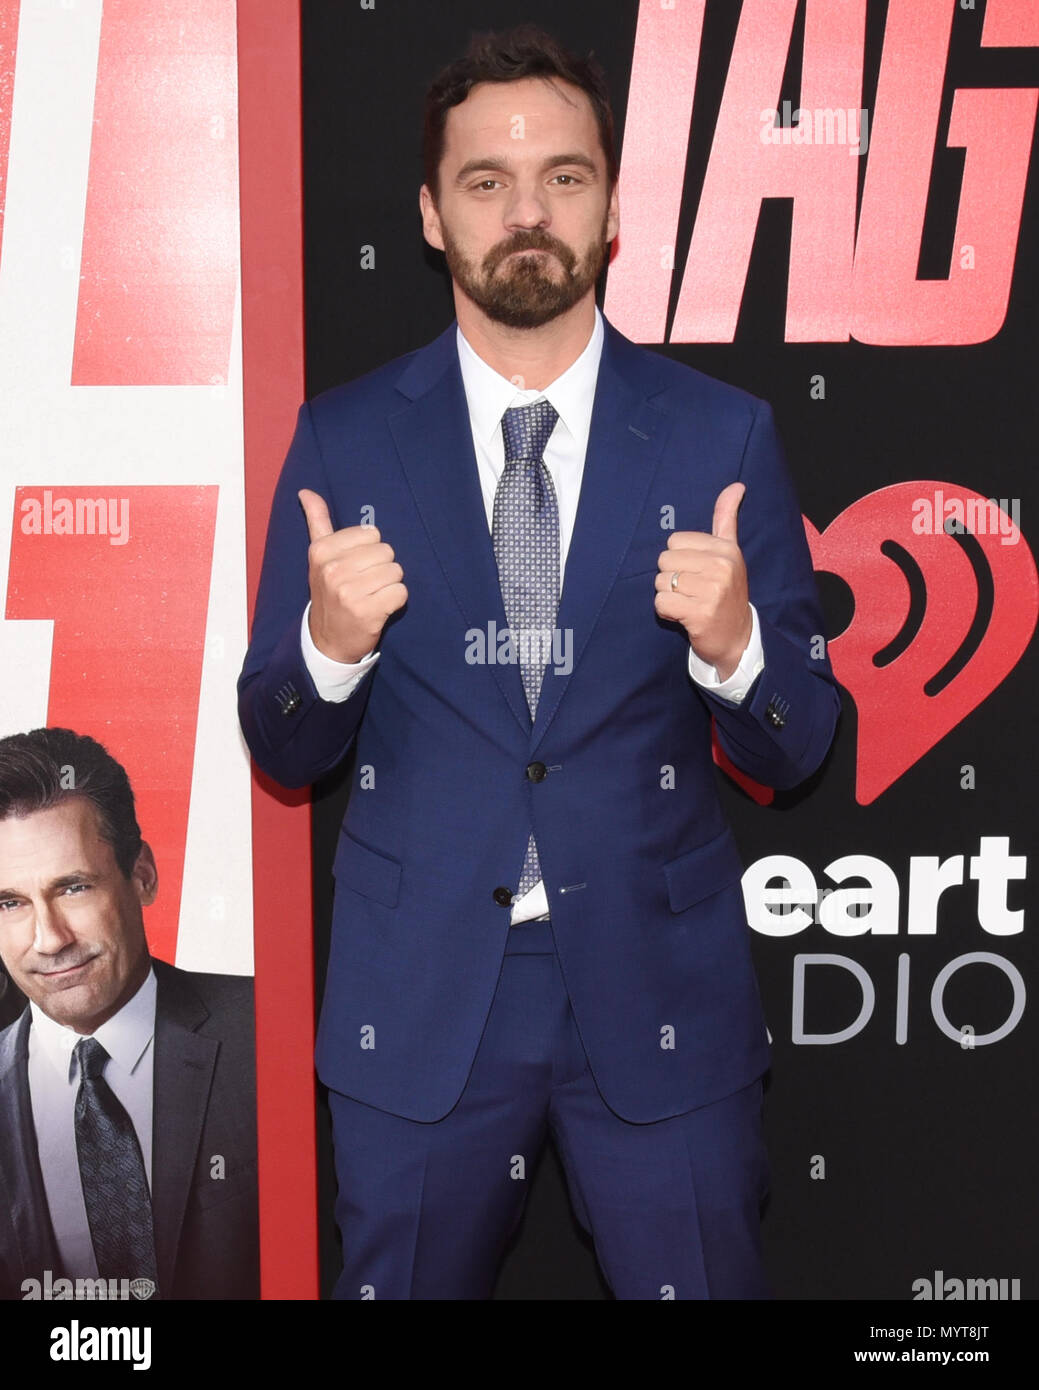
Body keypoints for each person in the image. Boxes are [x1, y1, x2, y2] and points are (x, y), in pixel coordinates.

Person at [239, 25, 840, 1300]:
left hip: (657, 992)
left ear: (614, 204)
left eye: (564, 177)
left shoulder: (720, 434)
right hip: (420, 1009)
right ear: (427, 212)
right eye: (486, 181)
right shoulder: (343, 437)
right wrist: (327, 649)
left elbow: (798, 745)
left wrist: (738, 650)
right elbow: (283, 740)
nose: (527, 212)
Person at [0, 728, 258, 1301]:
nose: (48, 939)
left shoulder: (269, 1035)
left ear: (141, 875)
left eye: (73, 888)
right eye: (9, 902)